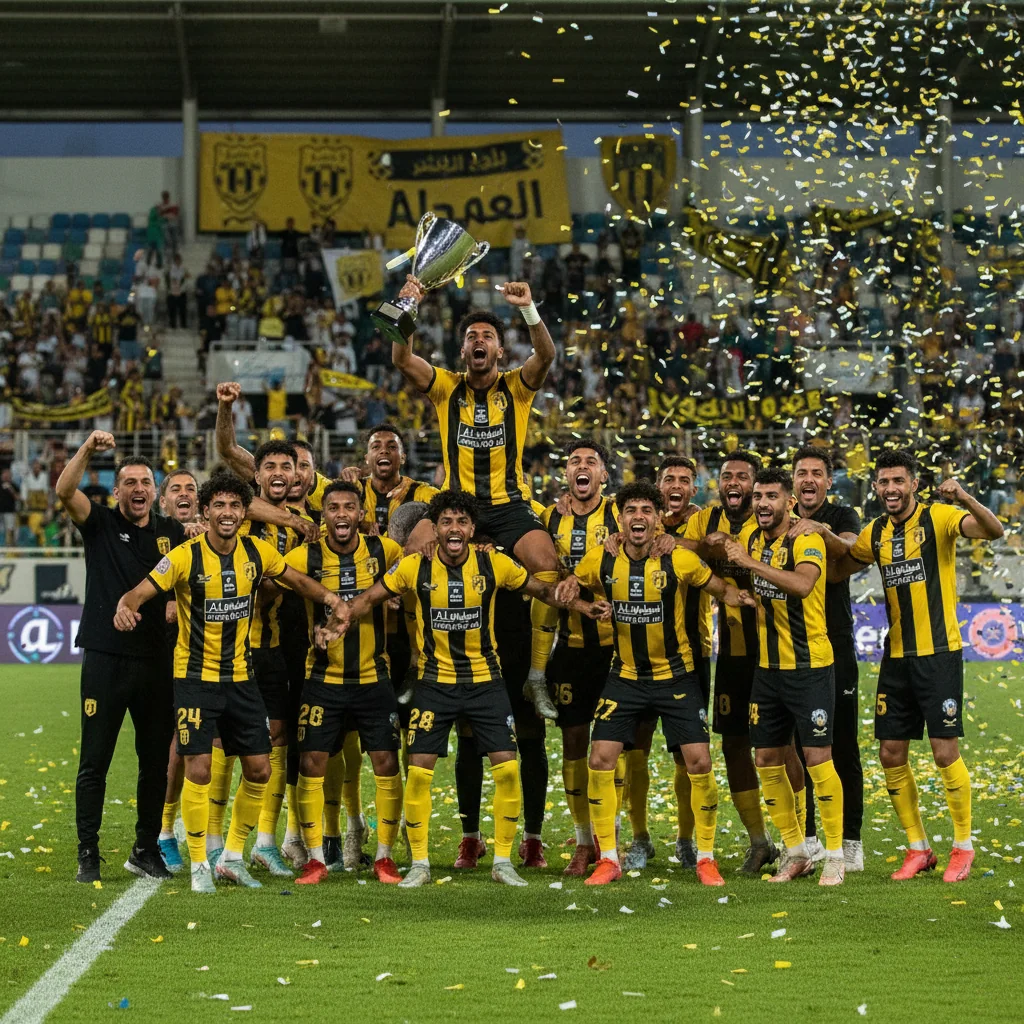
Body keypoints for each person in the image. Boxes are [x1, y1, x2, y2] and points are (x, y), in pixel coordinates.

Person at [331, 491, 604, 888]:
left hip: (484, 682)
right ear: (435, 530)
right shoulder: (414, 567)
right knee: (420, 773)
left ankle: (504, 861)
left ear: (472, 529)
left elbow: (539, 590)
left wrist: (581, 606)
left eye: (461, 522)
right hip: (434, 682)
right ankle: (421, 864)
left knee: (508, 770)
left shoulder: (493, 562)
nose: (454, 528)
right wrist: (340, 618)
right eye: (446, 522)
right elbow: (372, 597)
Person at [113, 472, 346, 894]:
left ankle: (233, 857)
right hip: (195, 680)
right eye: (218, 505)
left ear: (243, 513)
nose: (227, 513)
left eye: (235, 506)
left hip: (242, 679)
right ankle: (201, 863)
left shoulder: (256, 551)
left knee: (259, 769)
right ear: (206, 511)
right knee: (199, 769)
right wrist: (125, 607)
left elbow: (296, 580)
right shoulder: (184, 557)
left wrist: (330, 599)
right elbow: (138, 593)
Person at [556, 480, 752, 887]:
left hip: (675, 677)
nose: (639, 517)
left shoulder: (678, 559)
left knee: (699, 762)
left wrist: (746, 596)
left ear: (658, 518)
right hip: (624, 676)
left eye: (647, 510)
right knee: (600, 759)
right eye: (631, 511)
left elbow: (719, 589)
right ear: (621, 519)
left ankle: (706, 858)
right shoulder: (602, 558)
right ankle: (608, 859)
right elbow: (573, 582)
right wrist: (579, 597)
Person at [391, 278, 563, 721]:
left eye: (488, 336)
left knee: (547, 564)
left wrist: (528, 309)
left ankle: (537, 675)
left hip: (507, 505)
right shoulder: (446, 386)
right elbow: (401, 356)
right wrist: (408, 305)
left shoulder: (517, 387)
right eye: (472, 337)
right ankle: (415, 663)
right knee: (412, 557)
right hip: (457, 505)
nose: (479, 341)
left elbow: (546, 356)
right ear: (463, 351)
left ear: (501, 352)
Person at [830, 449, 1004, 883]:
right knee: (891, 753)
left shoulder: (940, 517)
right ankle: (918, 847)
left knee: (945, 751)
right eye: (883, 482)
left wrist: (963, 496)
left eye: (898, 481)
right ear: (876, 488)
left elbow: (993, 530)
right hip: (896, 658)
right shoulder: (875, 533)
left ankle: (963, 846)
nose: (891, 489)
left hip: (939, 653)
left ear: (913, 484)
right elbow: (838, 570)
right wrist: (815, 533)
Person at [56, 432, 187, 883]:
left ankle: (145, 849)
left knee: (154, 764)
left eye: (145, 482)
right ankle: (87, 853)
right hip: (106, 659)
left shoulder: (172, 534)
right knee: (95, 760)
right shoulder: (101, 524)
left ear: (155, 490)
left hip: (156, 662)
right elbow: (64, 491)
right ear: (116, 491)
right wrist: (89, 451)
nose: (137, 489)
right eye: (129, 482)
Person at [721, 468, 846, 886]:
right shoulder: (754, 539)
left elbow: (804, 584)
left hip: (810, 667)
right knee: (767, 759)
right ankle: (795, 852)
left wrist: (748, 563)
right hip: (768, 671)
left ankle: (834, 855)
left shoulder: (805, 539)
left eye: (772, 496)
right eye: (758, 496)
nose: (761, 503)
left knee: (817, 760)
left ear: (790, 503)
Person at [282, 482, 405, 886]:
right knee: (310, 764)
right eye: (332, 507)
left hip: (374, 677)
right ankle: (316, 860)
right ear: (324, 515)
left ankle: (384, 857)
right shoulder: (303, 556)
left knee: (387, 763)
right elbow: (268, 578)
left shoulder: (384, 550)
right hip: (321, 678)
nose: (340, 514)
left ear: (360, 513)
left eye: (349, 507)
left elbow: (421, 562)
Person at [680, 451, 783, 872]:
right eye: (727, 476)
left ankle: (806, 842)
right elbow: (677, 550)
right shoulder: (704, 520)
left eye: (743, 476)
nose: (734, 482)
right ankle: (760, 842)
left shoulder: (773, 520)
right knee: (735, 746)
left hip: (780, 651)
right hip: (734, 656)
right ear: (718, 484)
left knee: (785, 748)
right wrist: (706, 545)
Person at [621, 455, 714, 871]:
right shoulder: (636, 525)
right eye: (668, 479)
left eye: (684, 480)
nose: (675, 485)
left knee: (687, 756)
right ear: (657, 489)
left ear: (694, 489)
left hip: (693, 655)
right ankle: (640, 838)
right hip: (637, 658)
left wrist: (678, 542)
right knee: (634, 750)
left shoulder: (706, 522)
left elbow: (718, 545)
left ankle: (686, 839)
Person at [541, 439, 621, 875]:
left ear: (604, 476)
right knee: (573, 743)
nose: (583, 466)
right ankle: (584, 841)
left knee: (614, 748)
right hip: (569, 649)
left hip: (616, 649)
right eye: (575, 461)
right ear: (566, 475)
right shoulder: (549, 517)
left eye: (592, 461)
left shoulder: (620, 517)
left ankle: (613, 838)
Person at [787, 446, 864, 871]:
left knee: (842, 746)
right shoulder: (780, 517)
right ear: (793, 480)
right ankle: (811, 839)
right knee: (801, 750)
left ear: (829, 481)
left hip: (834, 643)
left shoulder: (842, 516)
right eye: (802, 473)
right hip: (791, 648)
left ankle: (851, 841)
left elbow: (849, 553)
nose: (809, 479)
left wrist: (818, 529)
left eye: (817, 473)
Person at [154, 469, 200, 873]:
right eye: (176, 490)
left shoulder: (213, 535)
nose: (184, 495)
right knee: (178, 744)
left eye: (191, 489)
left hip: (221, 654)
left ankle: (214, 839)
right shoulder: (152, 537)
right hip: (170, 652)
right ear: (162, 501)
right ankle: (165, 830)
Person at [340, 423, 438, 535]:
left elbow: (449, 515)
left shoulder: (422, 494)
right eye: (376, 446)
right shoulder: (354, 489)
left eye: (392, 447)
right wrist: (343, 487)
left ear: (403, 458)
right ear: (367, 458)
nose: (384, 451)